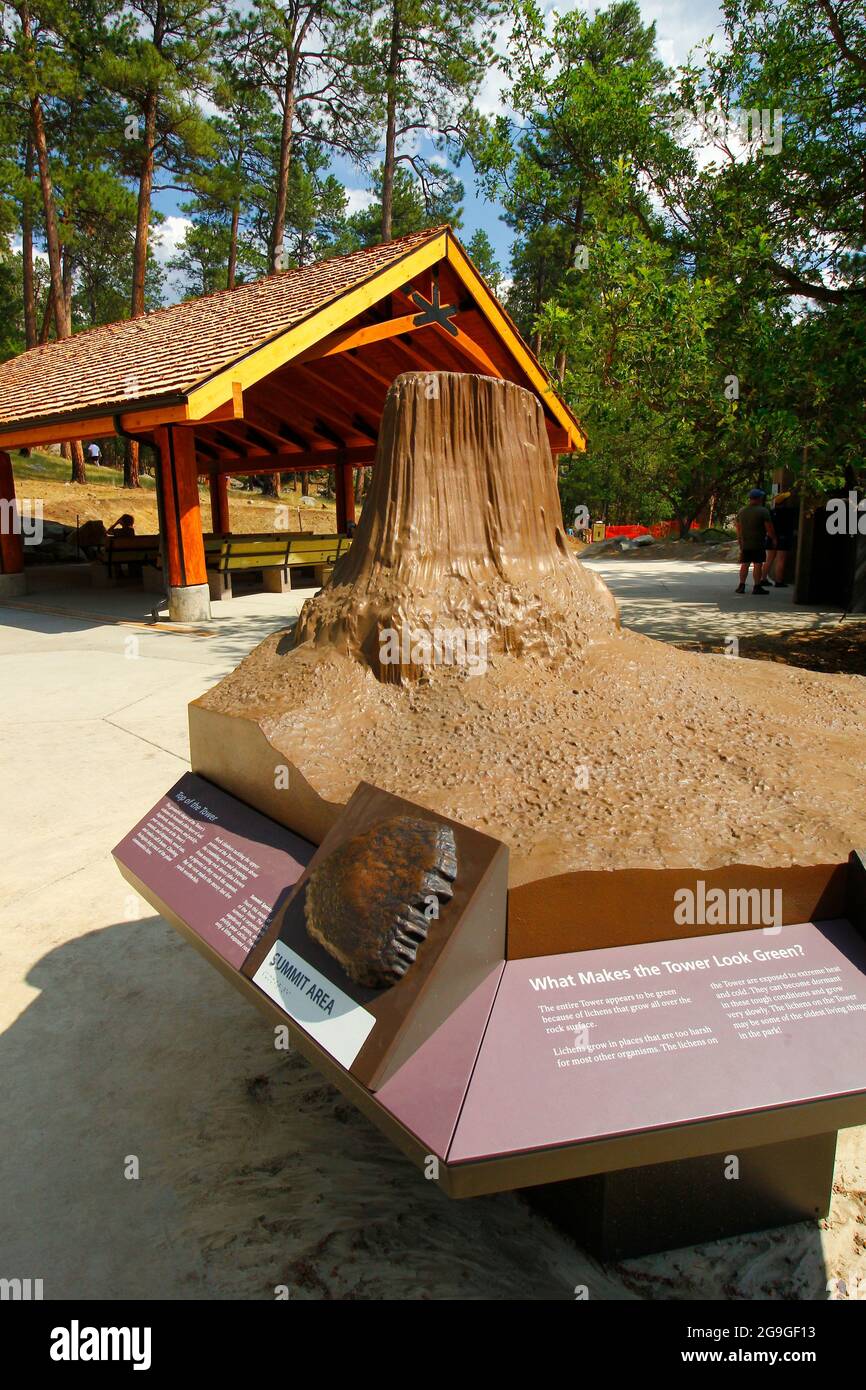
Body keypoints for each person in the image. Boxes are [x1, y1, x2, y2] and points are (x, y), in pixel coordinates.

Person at [735, 488, 776, 595]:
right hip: (758, 542)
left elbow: (738, 528)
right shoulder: (763, 511)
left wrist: (740, 541)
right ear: (760, 498)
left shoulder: (742, 511)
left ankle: (741, 585)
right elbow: (769, 528)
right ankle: (757, 586)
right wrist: (774, 538)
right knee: (758, 564)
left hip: (746, 542)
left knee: (745, 564)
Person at [762, 491, 796, 588]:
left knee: (769, 559)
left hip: (771, 537)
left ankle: (763, 579)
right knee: (781, 559)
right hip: (783, 538)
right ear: (784, 502)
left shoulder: (771, 512)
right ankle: (779, 581)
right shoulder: (788, 512)